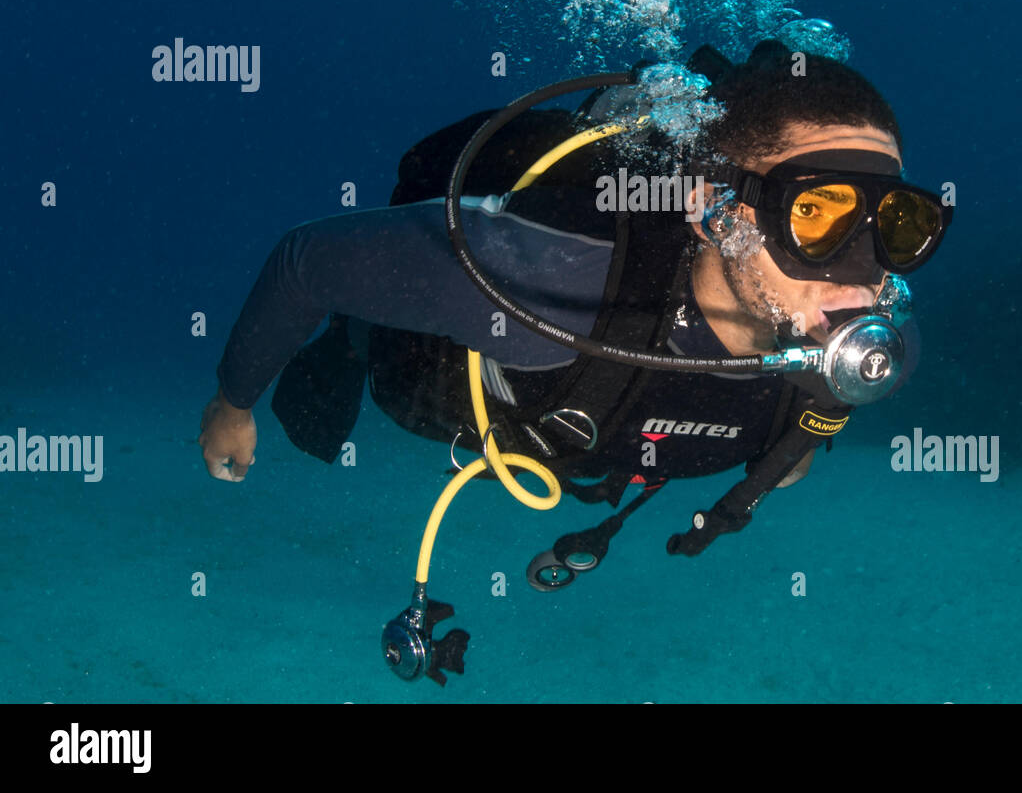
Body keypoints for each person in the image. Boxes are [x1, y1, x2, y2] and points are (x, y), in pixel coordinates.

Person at [198, 39, 950, 557]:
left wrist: (797, 441)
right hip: (441, 381)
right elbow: (306, 260)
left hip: (599, 449)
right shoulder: (552, 279)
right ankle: (351, 340)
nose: (865, 276)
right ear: (716, 208)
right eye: (815, 214)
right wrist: (233, 402)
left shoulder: (882, 341)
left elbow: (803, 434)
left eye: (897, 225)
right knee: (375, 342)